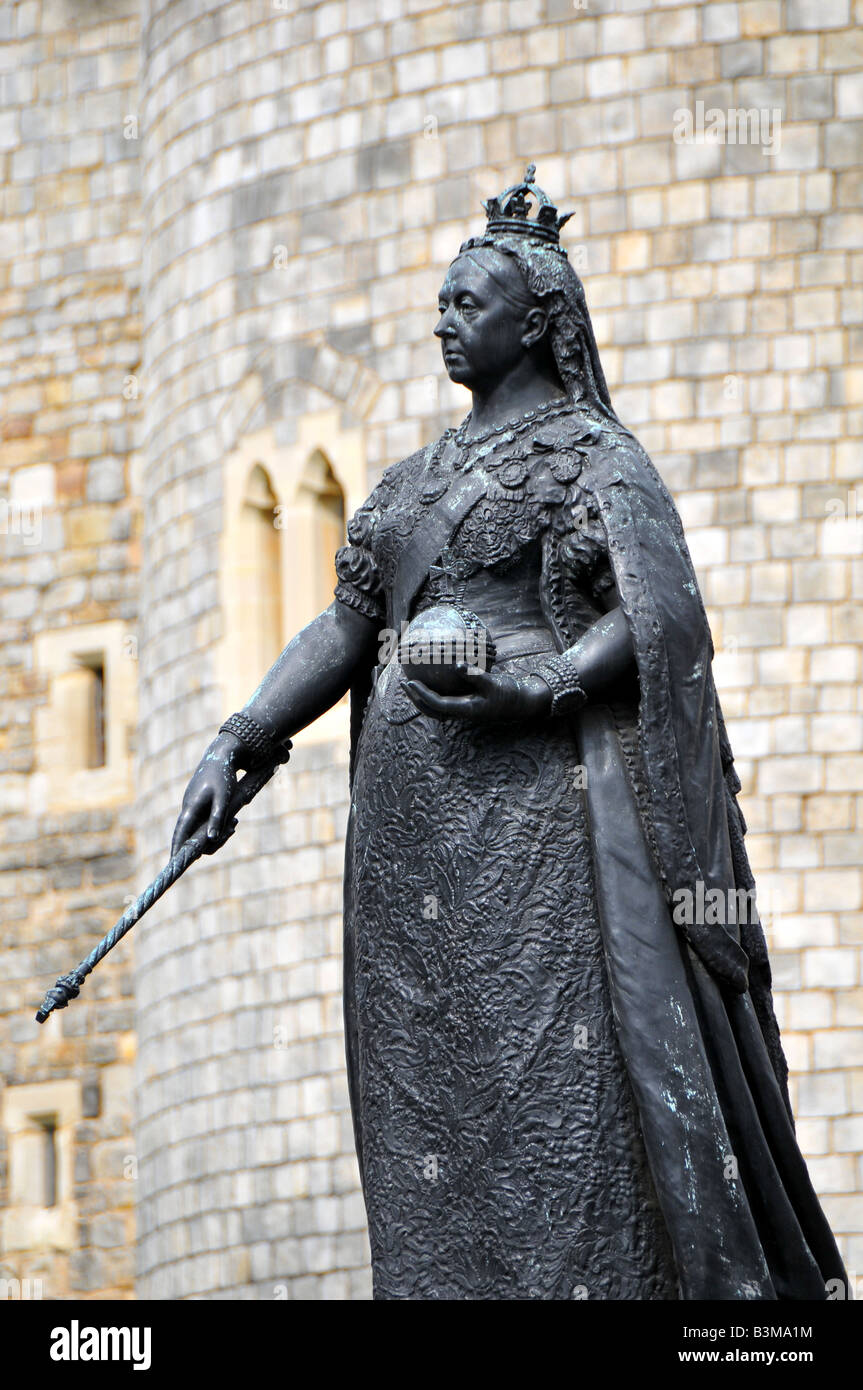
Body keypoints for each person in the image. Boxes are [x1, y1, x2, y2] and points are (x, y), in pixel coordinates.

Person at [172, 166, 849, 1301]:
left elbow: (657, 613)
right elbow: (347, 623)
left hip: (543, 838)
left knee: (562, 1093)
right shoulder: (405, 484)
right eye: (438, 302)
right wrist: (243, 733)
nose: (442, 320)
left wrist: (544, 686)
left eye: (465, 305)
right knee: (430, 1098)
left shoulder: (593, 457)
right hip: (408, 847)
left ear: (534, 321)